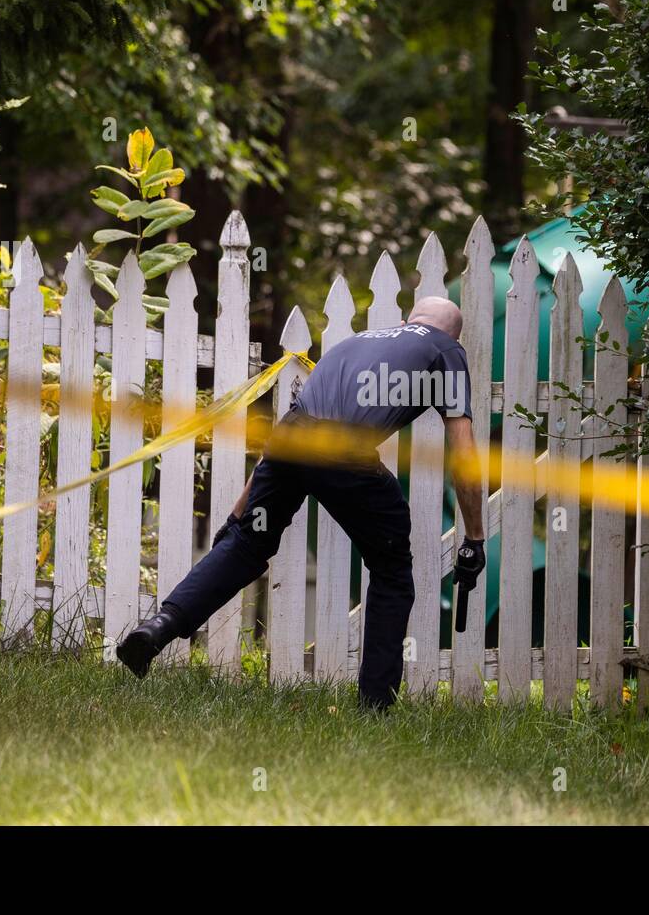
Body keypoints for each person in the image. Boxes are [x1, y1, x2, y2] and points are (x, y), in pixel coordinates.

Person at [117, 296, 487, 710]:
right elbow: (465, 456)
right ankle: (375, 706)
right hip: (344, 454)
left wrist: (240, 515)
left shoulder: (354, 342)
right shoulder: (446, 350)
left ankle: (157, 629)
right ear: (455, 337)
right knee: (392, 572)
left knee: (244, 544)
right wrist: (474, 538)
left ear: (404, 321)